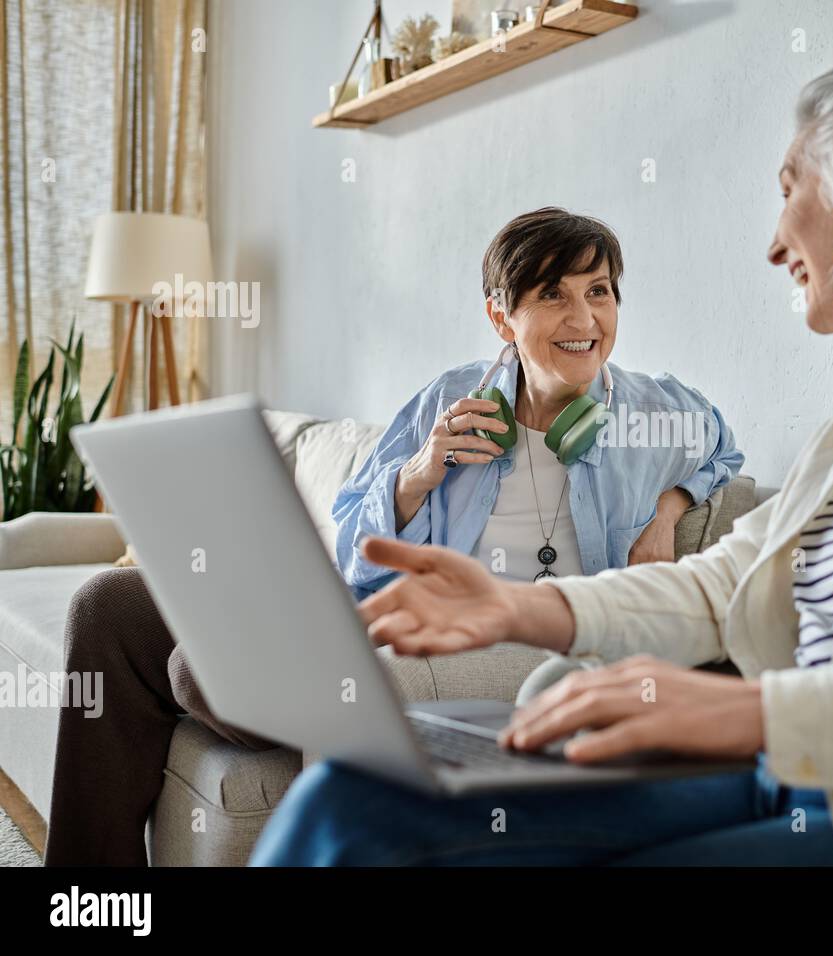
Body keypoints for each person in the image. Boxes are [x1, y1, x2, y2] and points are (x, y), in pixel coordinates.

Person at [250, 46, 833, 867]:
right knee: (358, 791)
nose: (772, 242)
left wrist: (757, 715)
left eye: (792, 187)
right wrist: (520, 607)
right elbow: (726, 585)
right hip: (785, 781)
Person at [44, 207, 741, 866]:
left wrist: (672, 507)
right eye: (553, 295)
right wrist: (416, 475)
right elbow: (356, 550)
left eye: (600, 292)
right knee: (111, 605)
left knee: (201, 669)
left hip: (515, 640)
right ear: (502, 316)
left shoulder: (651, 409)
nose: (584, 318)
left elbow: (721, 446)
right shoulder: (452, 401)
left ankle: (251, 690)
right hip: (394, 608)